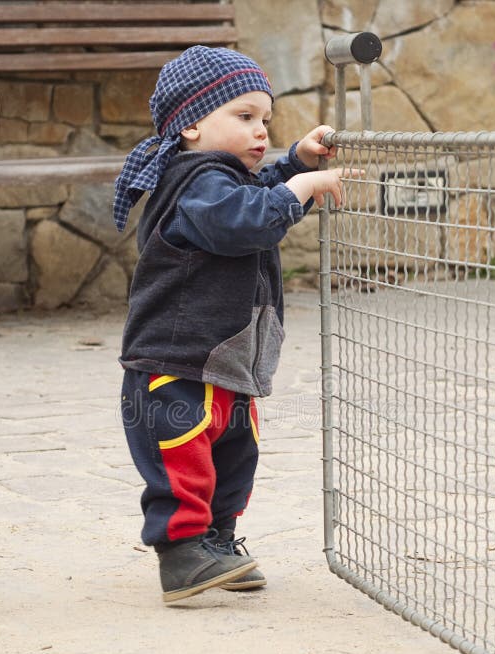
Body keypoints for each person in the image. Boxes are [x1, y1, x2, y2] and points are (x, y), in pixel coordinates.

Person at [114, 45, 349, 603]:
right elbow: (245, 220)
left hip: (219, 360)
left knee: (233, 452)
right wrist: (304, 187)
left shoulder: (221, 177)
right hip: (174, 362)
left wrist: (294, 162)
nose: (260, 131)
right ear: (191, 124)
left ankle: (214, 543)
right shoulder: (194, 182)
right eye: (243, 118)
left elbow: (258, 193)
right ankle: (181, 554)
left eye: (265, 120)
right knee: (183, 454)